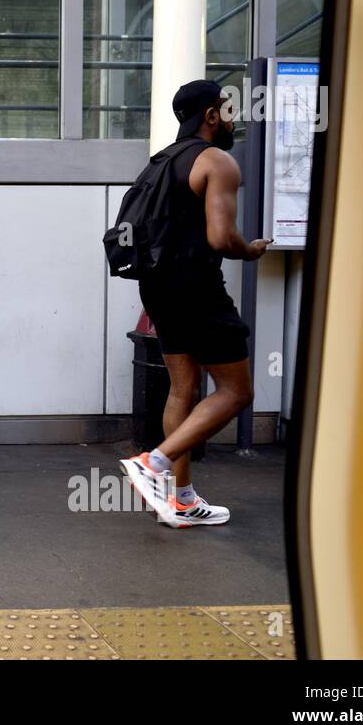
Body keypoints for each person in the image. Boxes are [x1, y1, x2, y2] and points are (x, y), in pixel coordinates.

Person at [119, 79, 269, 528]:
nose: (232, 118)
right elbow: (221, 238)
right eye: (227, 109)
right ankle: (155, 464)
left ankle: (180, 499)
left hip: (157, 288)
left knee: (183, 388)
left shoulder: (160, 162)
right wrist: (251, 249)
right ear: (209, 114)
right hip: (197, 288)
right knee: (237, 391)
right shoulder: (217, 162)